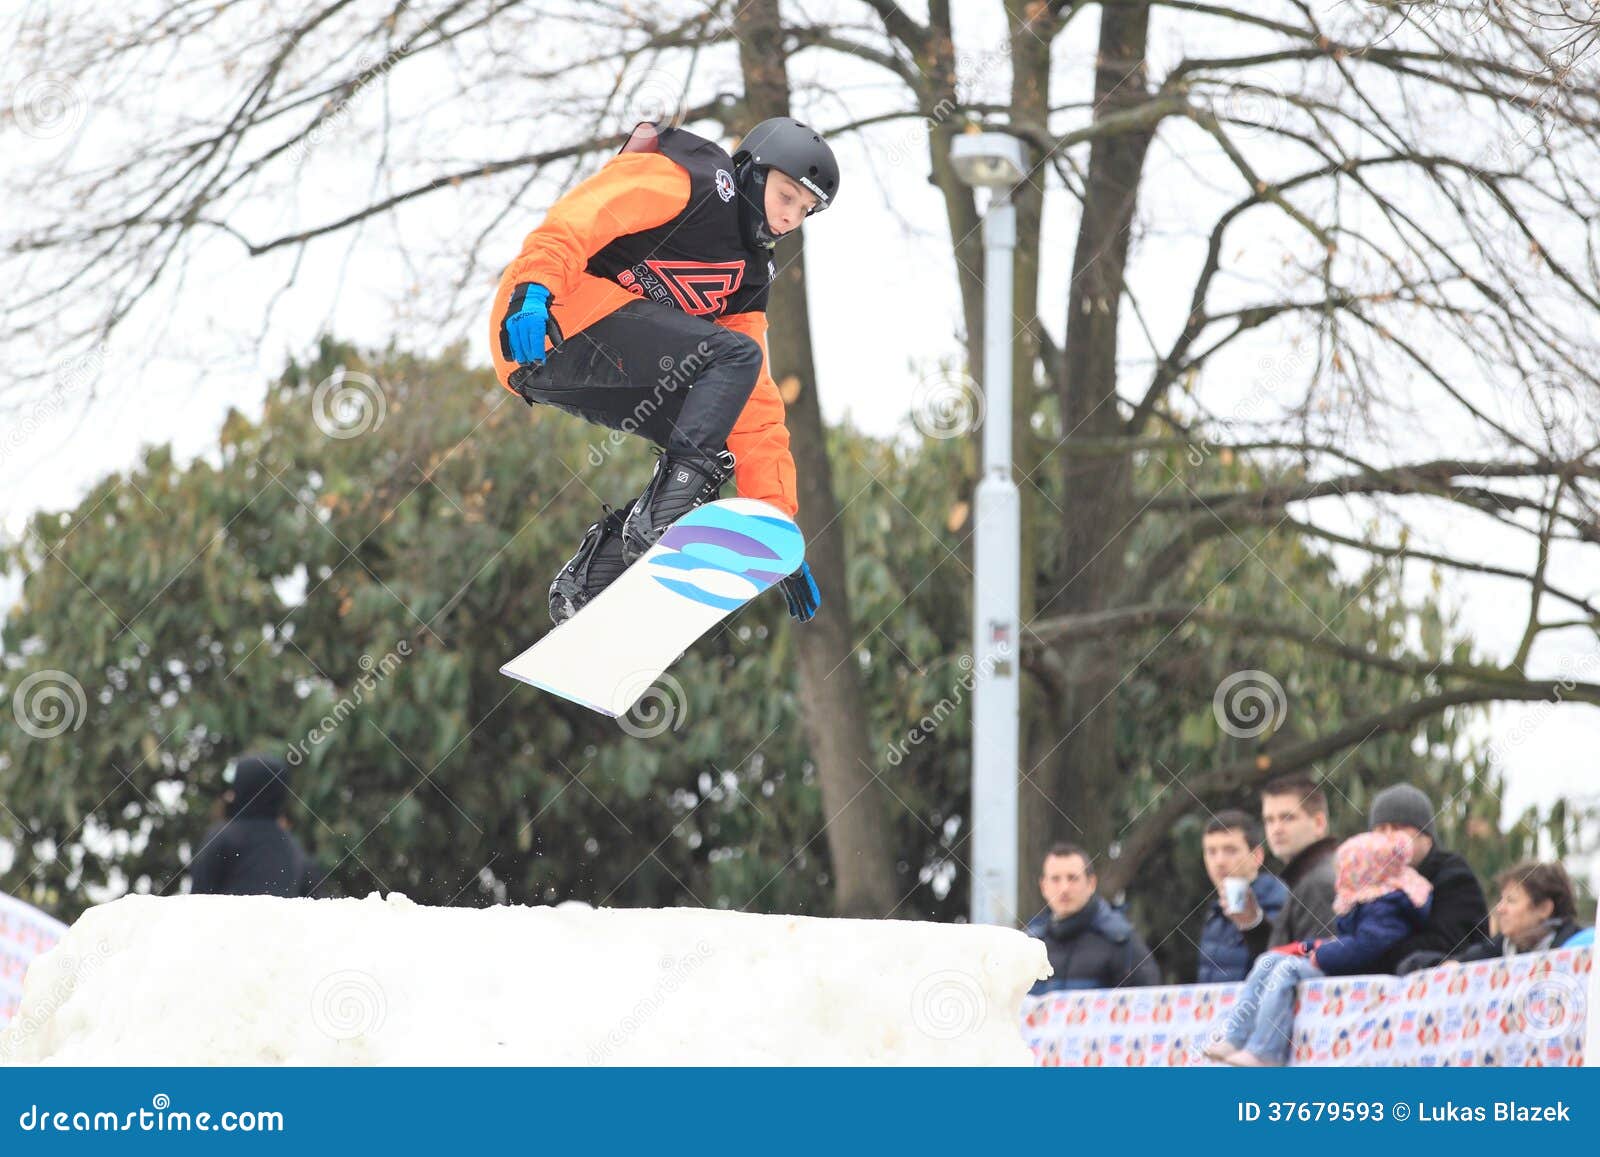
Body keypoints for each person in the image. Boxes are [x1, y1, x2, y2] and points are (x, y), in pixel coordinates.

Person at [487, 117, 833, 626]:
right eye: (786, 196)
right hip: (546, 319)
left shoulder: (750, 276)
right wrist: (535, 286)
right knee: (732, 355)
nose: (789, 219)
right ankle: (659, 521)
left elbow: (752, 404)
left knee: (715, 428)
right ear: (753, 173)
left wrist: (774, 526)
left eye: (805, 211)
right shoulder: (695, 180)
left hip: (597, 359)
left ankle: (588, 586)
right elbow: (586, 215)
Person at [1206, 829, 1433, 1066]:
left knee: (1286, 971)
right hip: (1341, 963)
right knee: (1269, 961)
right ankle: (1235, 1037)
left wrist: (1320, 953)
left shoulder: (1386, 907)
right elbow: (1348, 940)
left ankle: (1265, 1050)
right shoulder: (1364, 902)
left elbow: (1366, 947)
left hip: (1354, 971)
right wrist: (1303, 948)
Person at [1365, 782, 1493, 972]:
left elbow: (1445, 944)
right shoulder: (1368, 882)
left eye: (1399, 827)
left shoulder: (1455, 877)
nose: (1389, 836)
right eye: (1381, 829)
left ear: (1427, 836)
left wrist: (1369, 952)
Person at [1404, 860, 1593, 969]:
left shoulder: (1581, 951)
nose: (1500, 909)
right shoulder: (1501, 947)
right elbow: (1412, 964)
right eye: (1501, 900)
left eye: (1511, 901)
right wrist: (1447, 966)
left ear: (1544, 909)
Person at [1025, 843, 1161, 994]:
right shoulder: (1028, 945)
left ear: (1091, 884)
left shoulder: (1121, 941)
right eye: (1055, 879)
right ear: (1044, 887)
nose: (1064, 888)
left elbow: (1145, 1005)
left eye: (1073, 878)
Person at [189, 752, 320, 898]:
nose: (229, 794)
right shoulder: (294, 848)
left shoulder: (222, 838)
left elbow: (198, 900)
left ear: (243, 788)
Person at [1242, 775, 1338, 954]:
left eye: (1287, 818)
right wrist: (1253, 924)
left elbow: (1318, 964)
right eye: (1269, 820)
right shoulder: (1304, 877)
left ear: (1319, 823)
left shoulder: (1318, 883)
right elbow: (1287, 954)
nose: (1276, 829)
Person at [1196, 810, 1288, 984]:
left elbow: (1281, 963)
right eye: (1211, 852)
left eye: (1230, 850)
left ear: (1257, 856)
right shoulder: (1215, 915)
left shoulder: (1279, 901)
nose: (1219, 861)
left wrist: (1254, 923)